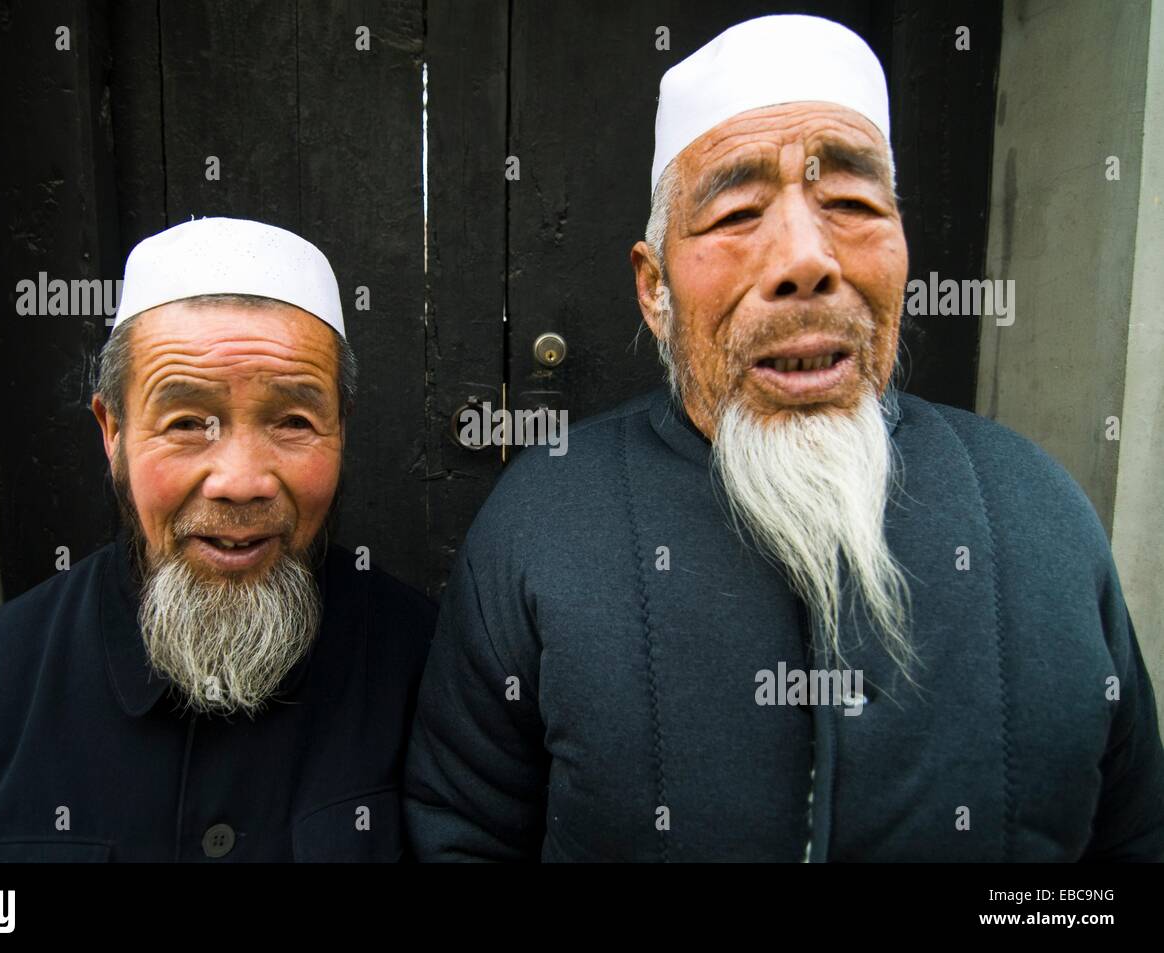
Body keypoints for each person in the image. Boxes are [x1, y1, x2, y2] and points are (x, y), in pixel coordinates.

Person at [404, 14, 1164, 861]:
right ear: (655, 290)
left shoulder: (1039, 511)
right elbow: (459, 833)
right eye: (735, 212)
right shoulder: (540, 526)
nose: (805, 257)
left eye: (850, 202)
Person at [0, 217, 435, 861]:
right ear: (112, 431)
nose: (239, 481)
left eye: (292, 420)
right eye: (184, 421)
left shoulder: (427, 670)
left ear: (341, 429)